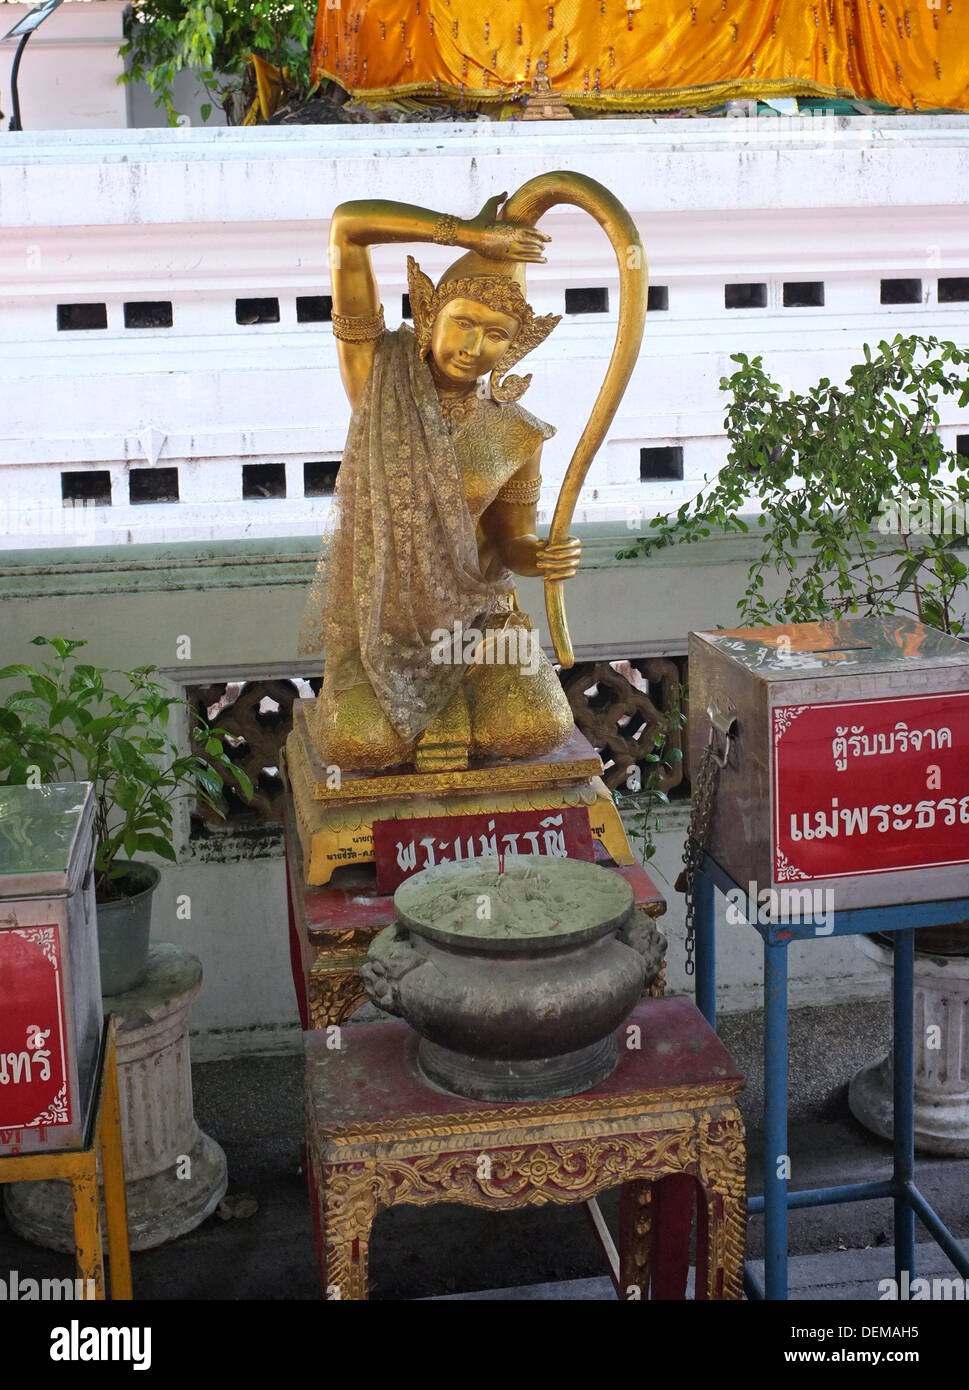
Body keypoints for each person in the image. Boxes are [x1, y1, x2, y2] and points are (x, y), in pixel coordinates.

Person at [298, 194, 581, 772]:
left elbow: (510, 544)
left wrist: (544, 556)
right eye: (464, 324)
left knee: (536, 728)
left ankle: (461, 701)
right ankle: (432, 708)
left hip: (479, 620)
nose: (474, 348)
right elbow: (347, 227)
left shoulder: (515, 433)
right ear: (429, 317)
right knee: (359, 745)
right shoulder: (379, 378)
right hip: (385, 623)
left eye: (497, 336)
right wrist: (468, 237)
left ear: (515, 347)